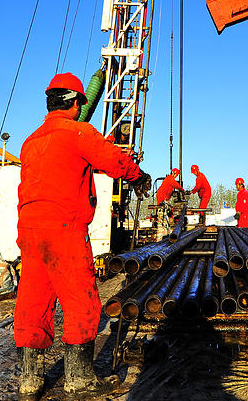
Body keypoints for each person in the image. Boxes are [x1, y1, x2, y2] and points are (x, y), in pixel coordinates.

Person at [15, 72, 151, 399]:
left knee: (33, 301)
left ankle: (29, 380)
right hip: (64, 228)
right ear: (77, 103)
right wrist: (139, 176)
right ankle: (79, 378)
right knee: (81, 300)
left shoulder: (31, 140)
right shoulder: (78, 132)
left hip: (30, 231)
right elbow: (113, 160)